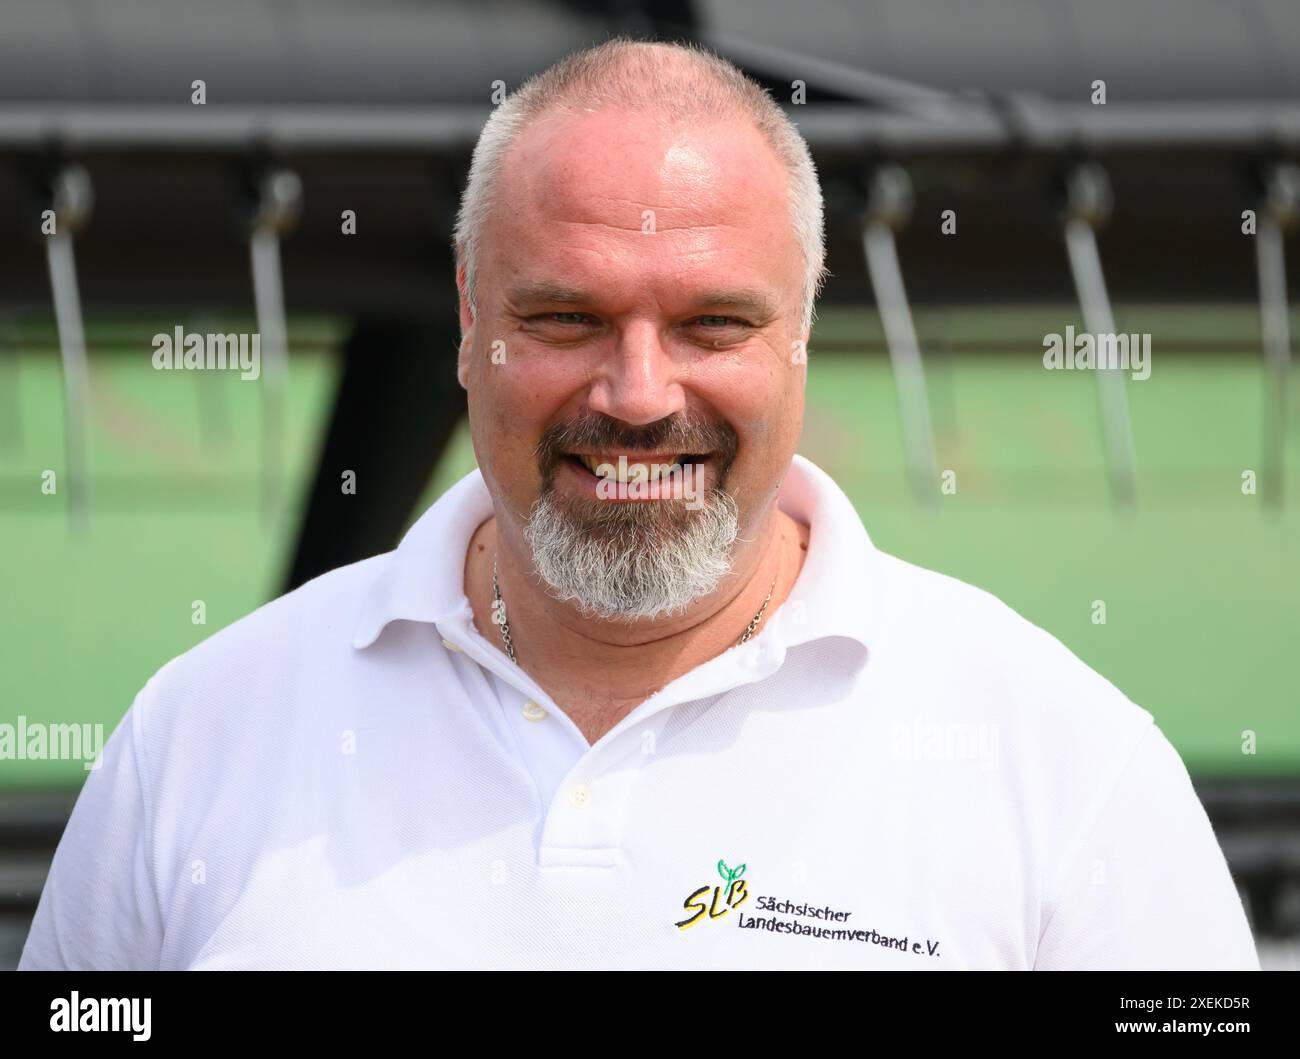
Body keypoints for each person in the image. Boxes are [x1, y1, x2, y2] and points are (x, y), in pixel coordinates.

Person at [20, 38, 1258, 970]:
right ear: (467, 322)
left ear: (801, 339)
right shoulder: (195, 737)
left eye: (714, 322)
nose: (636, 392)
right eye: (565, 318)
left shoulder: (1067, 766)